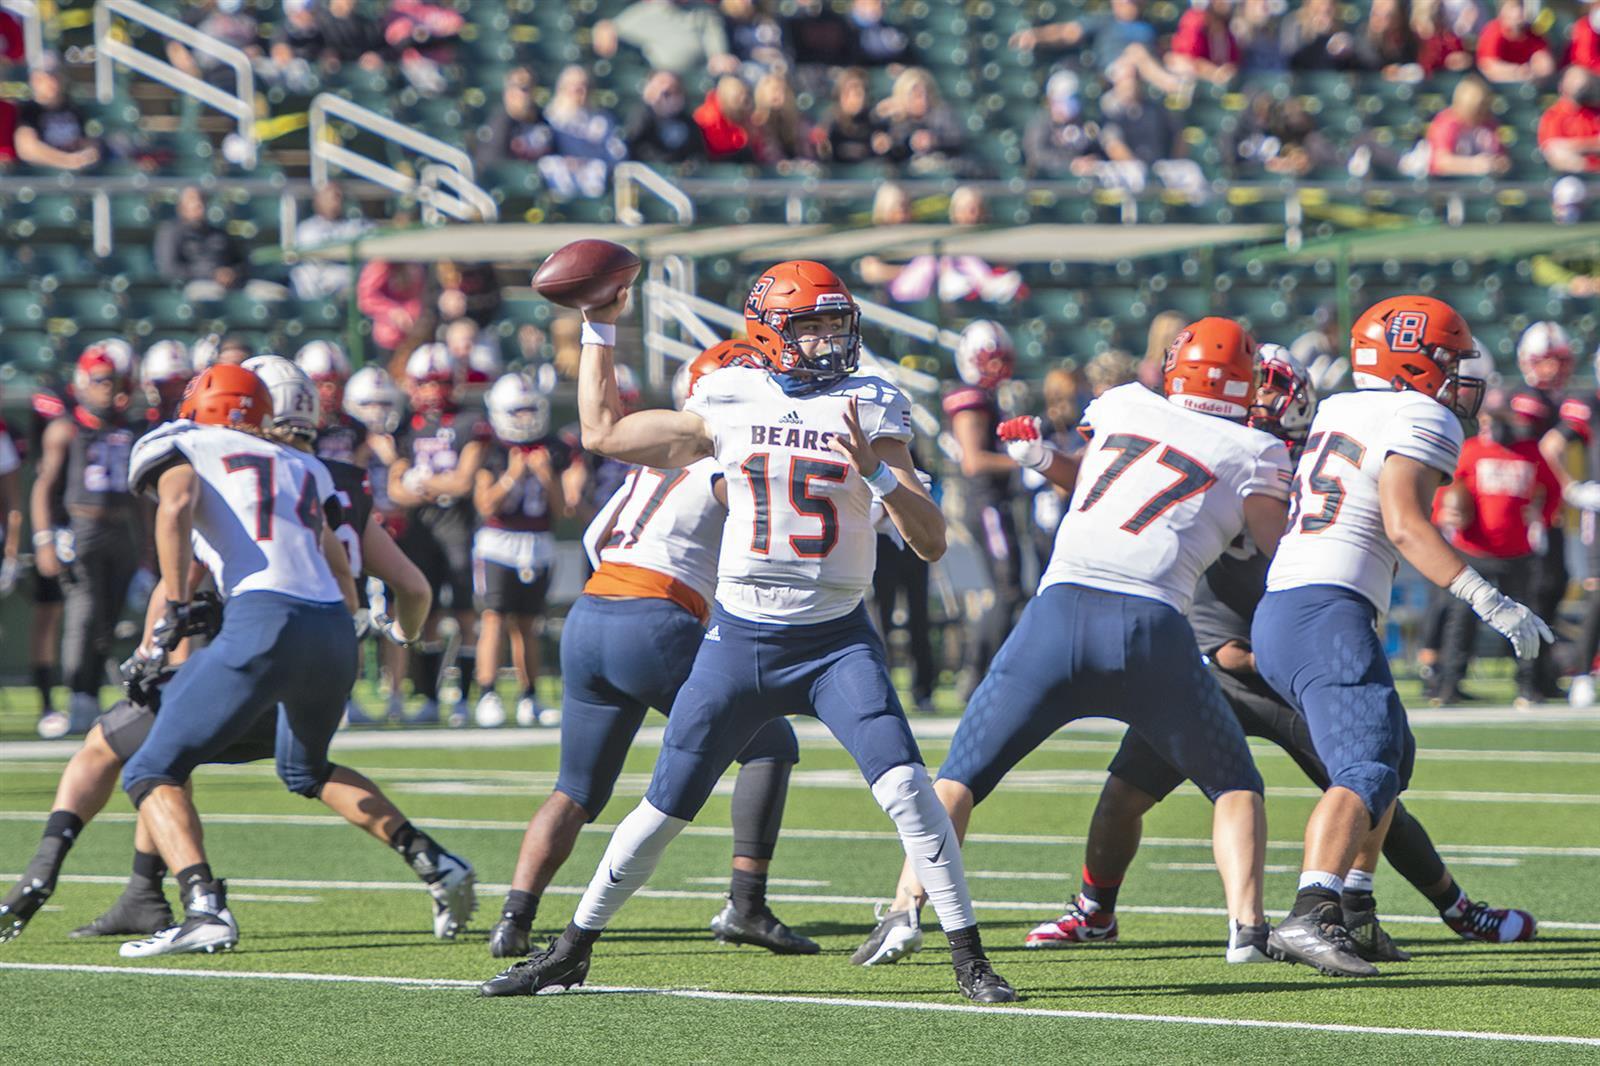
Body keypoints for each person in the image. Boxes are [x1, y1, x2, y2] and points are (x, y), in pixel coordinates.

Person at [478, 261, 1015, 1003]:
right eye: (811, 327)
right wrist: (600, 325)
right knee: (662, 809)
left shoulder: (870, 400)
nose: (829, 340)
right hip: (737, 640)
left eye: (837, 324)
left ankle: (970, 960)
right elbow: (602, 431)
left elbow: (929, 542)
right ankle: (570, 949)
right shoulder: (728, 395)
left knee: (907, 789)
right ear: (768, 333)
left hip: (834, 641)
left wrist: (880, 474)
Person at [1015, 348, 1538, 955]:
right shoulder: (1213, 453)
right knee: (1124, 793)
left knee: (1372, 783)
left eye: (1273, 394)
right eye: (1256, 391)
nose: (1263, 406)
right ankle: (1095, 910)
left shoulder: (1297, 463)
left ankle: (1441, 907)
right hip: (1216, 666)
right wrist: (1048, 461)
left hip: (1284, 667)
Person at [853, 317, 1289, 969]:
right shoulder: (1256, 450)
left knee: (961, 775)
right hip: (1150, 626)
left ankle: (903, 909)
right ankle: (1246, 929)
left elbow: (1099, 480)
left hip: (1057, 614)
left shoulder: (1124, 404)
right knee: (1235, 785)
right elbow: (1277, 548)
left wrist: (1041, 460)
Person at [1252, 296, 1550, 978]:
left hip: (1294, 606)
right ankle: (1312, 911)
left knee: (1391, 757)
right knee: (1365, 767)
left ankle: (1354, 907)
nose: (1459, 375)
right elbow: (1405, 524)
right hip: (1325, 609)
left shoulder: (1342, 406)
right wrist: (1489, 600)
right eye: (1447, 359)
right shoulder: (1419, 413)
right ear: (1411, 361)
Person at [486, 341, 808, 958]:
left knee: (576, 790)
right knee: (771, 745)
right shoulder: (724, 460)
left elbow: (594, 536)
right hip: (654, 618)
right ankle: (747, 906)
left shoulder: (650, 460)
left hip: (592, 613)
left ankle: (514, 918)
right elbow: (771, 527)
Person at [109, 365, 357, 956]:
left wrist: (174, 604)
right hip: (335, 631)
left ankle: (203, 907)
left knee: (149, 768)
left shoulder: (184, 440)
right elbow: (341, 572)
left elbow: (176, 504)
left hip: (266, 618)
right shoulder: (304, 463)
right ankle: (433, 863)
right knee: (304, 770)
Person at [31, 346, 144, 737]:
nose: (107, 388)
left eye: (112, 380)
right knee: (84, 613)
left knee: (108, 618)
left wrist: (147, 551)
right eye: (99, 380)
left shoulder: (129, 429)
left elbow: (141, 498)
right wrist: (45, 539)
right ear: (82, 383)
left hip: (120, 528)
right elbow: (43, 488)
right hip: (83, 526)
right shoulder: (66, 428)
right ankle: (78, 694)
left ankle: (91, 695)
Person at [1432, 392, 1560, 706]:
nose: (1494, 425)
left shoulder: (1530, 452)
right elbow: (1442, 487)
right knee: (1461, 619)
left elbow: (1554, 489)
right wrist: (1443, 514)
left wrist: (1541, 518)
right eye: (1490, 419)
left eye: (1500, 418)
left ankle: (1528, 685)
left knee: (1524, 617)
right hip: (1473, 549)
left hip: (1517, 550)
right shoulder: (1471, 450)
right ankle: (1450, 685)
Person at [389, 343, 491, 725]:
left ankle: (464, 699)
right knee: (426, 615)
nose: (432, 391)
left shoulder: (469, 421)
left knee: (464, 613)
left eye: (439, 382)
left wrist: (421, 483)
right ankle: (430, 698)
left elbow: (463, 482)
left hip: (459, 530)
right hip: (421, 531)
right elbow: (396, 490)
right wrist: (434, 487)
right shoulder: (407, 425)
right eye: (425, 383)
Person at [472, 374, 565, 729]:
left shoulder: (551, 449)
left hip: (538, 542)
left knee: (528, 623)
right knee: (494, 617)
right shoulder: (493, 450)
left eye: (530, 410)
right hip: (499, 541)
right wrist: (512, 475)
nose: (525, 418)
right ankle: (488, 693)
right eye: (517, 411)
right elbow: (485, 504)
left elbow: (561, 509)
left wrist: (545, 475)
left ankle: (530, 696)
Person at [942, 321, 1025, 698]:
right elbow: (974, 461)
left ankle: (989, 672)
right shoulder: (970, 399)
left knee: (1008, 589)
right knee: (1003, 590)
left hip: (992, 502)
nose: (997, 367)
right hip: (983, 503)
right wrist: (1028, 462)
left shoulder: (990, 397)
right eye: (990, 359)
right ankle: (980, 674)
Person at [156, 186, 288, 302]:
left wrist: (232, 273)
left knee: (276, 293)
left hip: (234, 284)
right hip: (198, 284)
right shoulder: (171, 231)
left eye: (202, 199)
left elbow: (242, 262)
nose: (199, 204)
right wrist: (211, 274)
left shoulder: (218, 233)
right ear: (181, 207)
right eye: (193, 200)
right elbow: (169, 269)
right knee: (212, 295)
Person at [537, 65, 627, 200]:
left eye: (584, 87)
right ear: (562, 89)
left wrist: (588, 161)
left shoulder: (602, 120)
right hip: (562, 176)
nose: (579, 92)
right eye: (574, 87)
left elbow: (618, 155)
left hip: (592, 176)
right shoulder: (550, 119)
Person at [594, 0, 740, 77]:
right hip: (667, 80)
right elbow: (607, 28)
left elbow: (717, 47)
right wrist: (603, 30)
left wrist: (719, 56)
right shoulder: (645, 12)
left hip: (704, 77)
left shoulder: (702, 10)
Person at [14, 52, 101, 172]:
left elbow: (87, 142)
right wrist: (67, 161)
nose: (53, 82)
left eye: (56, 76)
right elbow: (27, 149)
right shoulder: (29, 110)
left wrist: (88, 154)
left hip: (76, 177)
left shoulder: (73, 108)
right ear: (34, 80)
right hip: (41, 177)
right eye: (46, 77)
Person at [292, 184, 372, 300]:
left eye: (337, 197)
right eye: (328, 198)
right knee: (302, 275)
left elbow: (372, 238)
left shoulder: (355, 225)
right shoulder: (306, 228)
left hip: (347, 282)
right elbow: (316, 254)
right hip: (317, 280)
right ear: (317, 201)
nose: (334, 202)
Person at [876, 67, 964, 172]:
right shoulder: (893, 118)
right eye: (917, 96)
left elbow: (956, 139)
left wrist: (934, 140)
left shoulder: (941, 112)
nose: (923, 100)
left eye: (927, 94)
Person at [1022, 69, 1104, 179]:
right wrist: (1070, 164)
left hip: (1084, 182)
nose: (1071, 103)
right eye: (1063, 99)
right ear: (1051, 100)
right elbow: (1036, 156)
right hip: (1051, 182)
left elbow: (1096, 149)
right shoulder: (1041, 123)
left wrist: (1093, 160)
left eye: (1075, 98)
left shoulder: (1086, 123)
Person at [1424, 76, 1510, 178]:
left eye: (1483, 106)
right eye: (1476, 107)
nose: (1479, 112)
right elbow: (1440, 162)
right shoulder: (1447, 122)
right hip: (1447, 184)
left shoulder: (1489, 124)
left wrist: (1497, 164)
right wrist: (1474, 165)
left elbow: (1502, 158)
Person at [475, 66, 551, 170]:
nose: (528, 94)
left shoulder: (543, 122)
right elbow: (493, 167)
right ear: (509, 93)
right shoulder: (499, 125)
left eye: (531, 86)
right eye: (523, 88)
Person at [624, 70, 707, 165]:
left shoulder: (688, 123)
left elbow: (698, 154)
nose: (666, 99)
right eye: (664, 93)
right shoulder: (641, 116)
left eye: (674, 91)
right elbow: (632, 142)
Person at [814, 67, 888, 165]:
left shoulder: (874, 122)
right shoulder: (829, 122)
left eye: (857, 94)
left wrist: (882, 144)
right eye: (847, 93)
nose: (852, 99)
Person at [1475, 0, 1554, 84]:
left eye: (1521, 7)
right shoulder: (1493, 31)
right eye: (1513, 8)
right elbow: (1488, 67)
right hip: (1498, 86)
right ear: (1502, 11)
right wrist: (1517, 72)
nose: (1518, 12)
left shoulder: (1532, 34)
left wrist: (1537, 67)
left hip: (1529, 85)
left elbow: (1546, 65)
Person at [1539, 67, 1600, 174]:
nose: (1580, 84)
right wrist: (1589, 146)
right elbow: (1552, 148)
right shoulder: (1554, 114)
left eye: (1583, 79)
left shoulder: (1595, 112)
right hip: (1571, 176)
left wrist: (1573, 145)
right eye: (1574, 80)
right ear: (1562, 86)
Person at [1167, 0, 1240, 85]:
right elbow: (1183, 59)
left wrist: (1227, 70)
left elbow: (1233, 62)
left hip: (1218, 82)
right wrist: (1212, 71)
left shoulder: (1228, 34)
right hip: (1195, 80)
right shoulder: (1196, 22)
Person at [138, 340, 194, 428]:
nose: (175, 392)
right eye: (167, 386)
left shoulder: (197, 424)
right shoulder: (138, 427)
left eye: (181, 384)